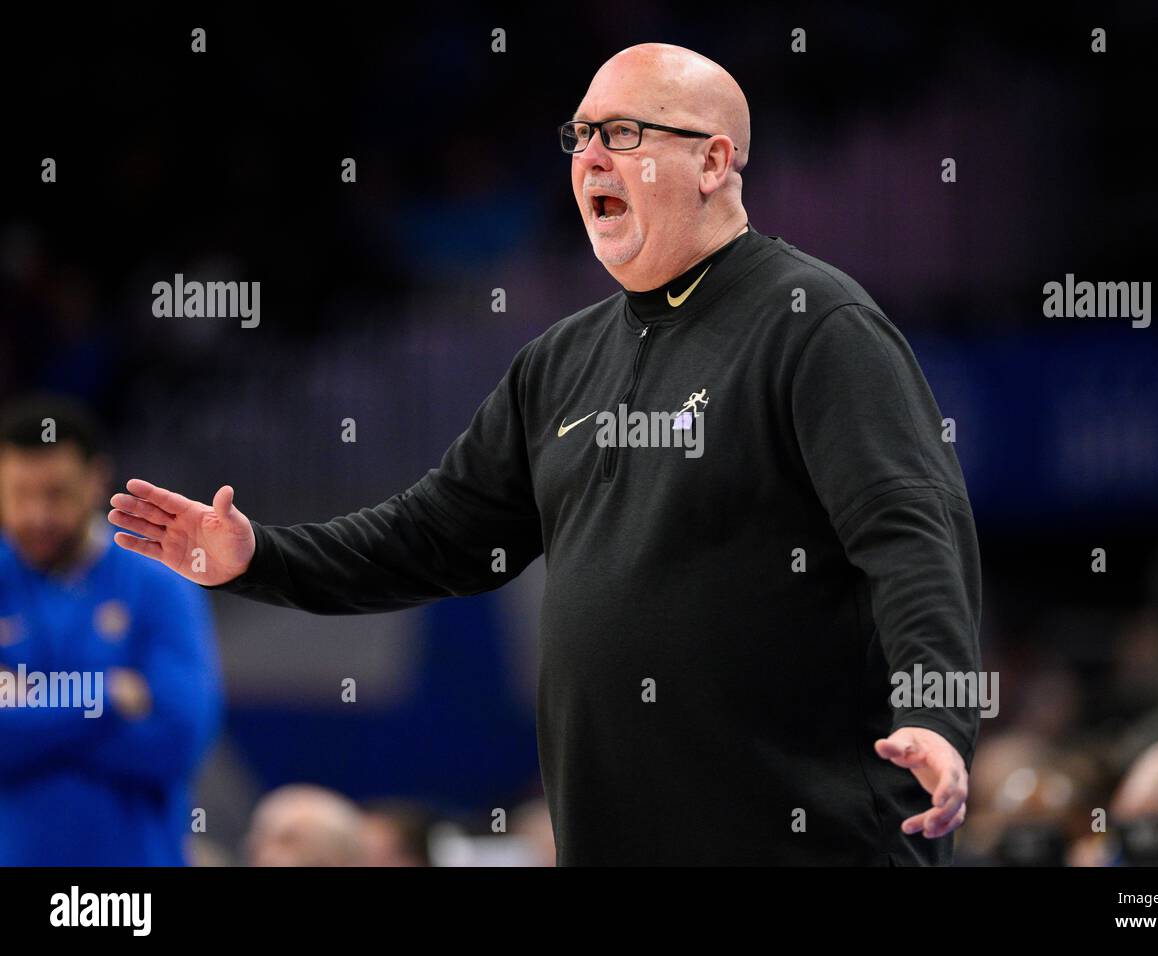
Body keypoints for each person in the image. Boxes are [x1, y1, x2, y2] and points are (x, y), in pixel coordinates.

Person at [108, 43, 982, 865]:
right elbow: (430, 536)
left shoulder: (814, 324)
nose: (591, 157)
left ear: (714, 163)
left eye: (624, 134)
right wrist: (258, 555)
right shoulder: (559, 363)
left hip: (809, 844)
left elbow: (910, 529)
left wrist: (938, 715)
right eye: (580, 136)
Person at [0, 393, 222, 865]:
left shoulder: (159, 582)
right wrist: (105, 697)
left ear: (96, 479)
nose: (38, 515)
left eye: (56, 494)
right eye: (19, 495)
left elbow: (177, 739)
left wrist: (25, 704)